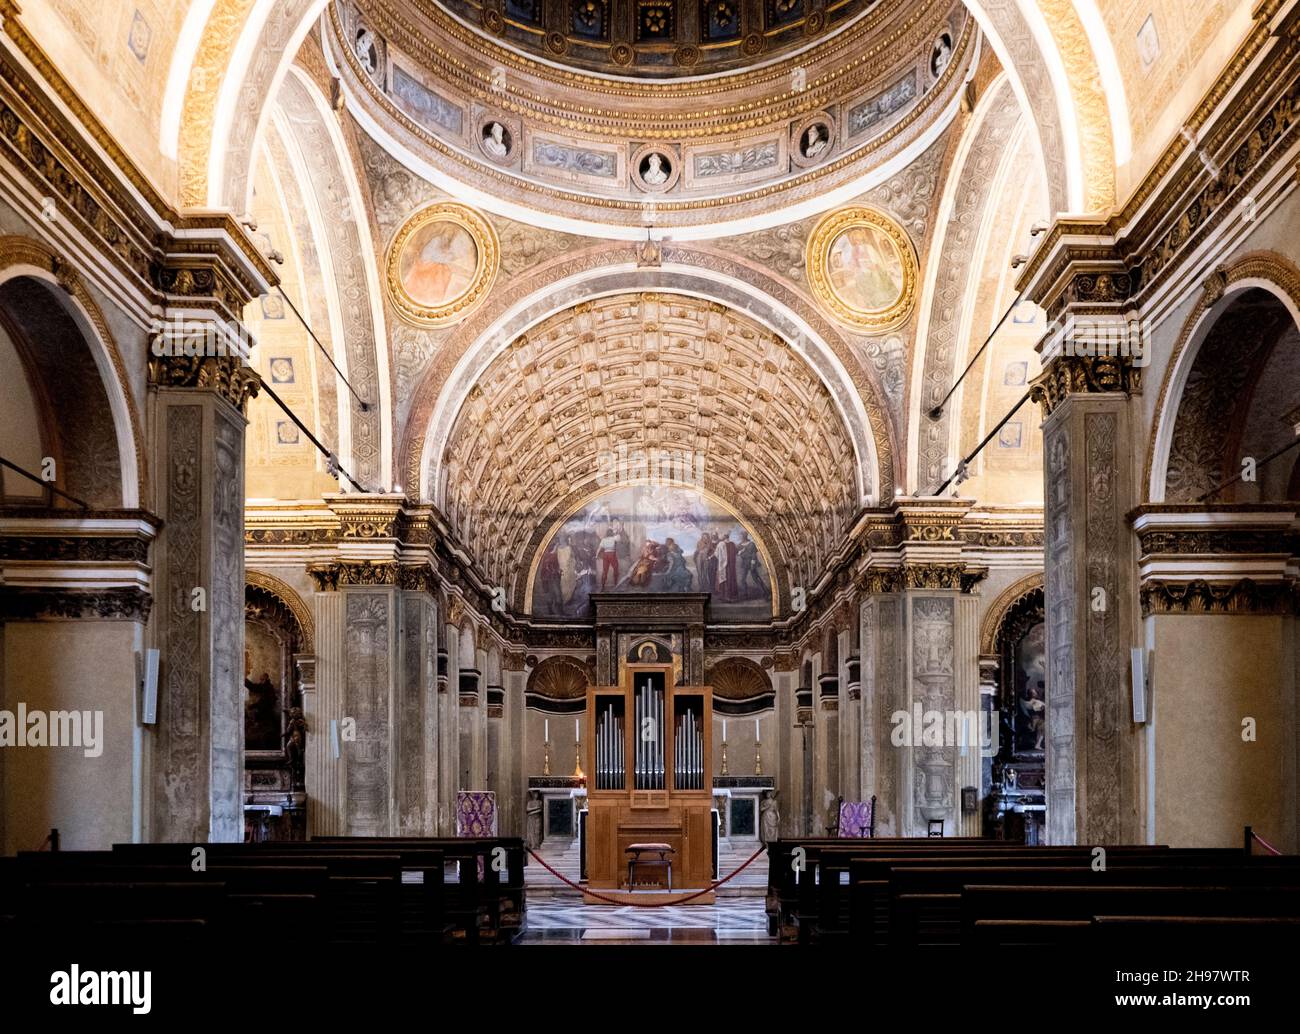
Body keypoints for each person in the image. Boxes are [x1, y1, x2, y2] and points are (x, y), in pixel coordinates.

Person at [597, 525, 620, 590]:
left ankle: (603, 586)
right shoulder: (614, 538)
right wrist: (616, 531)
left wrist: (596, 555)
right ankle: (616, 584)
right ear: (611, 533)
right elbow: (618, 537)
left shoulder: (603, 539)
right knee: (616, 568)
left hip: (605, 554)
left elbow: (599, 548)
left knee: (605, 570)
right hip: (612, 554)